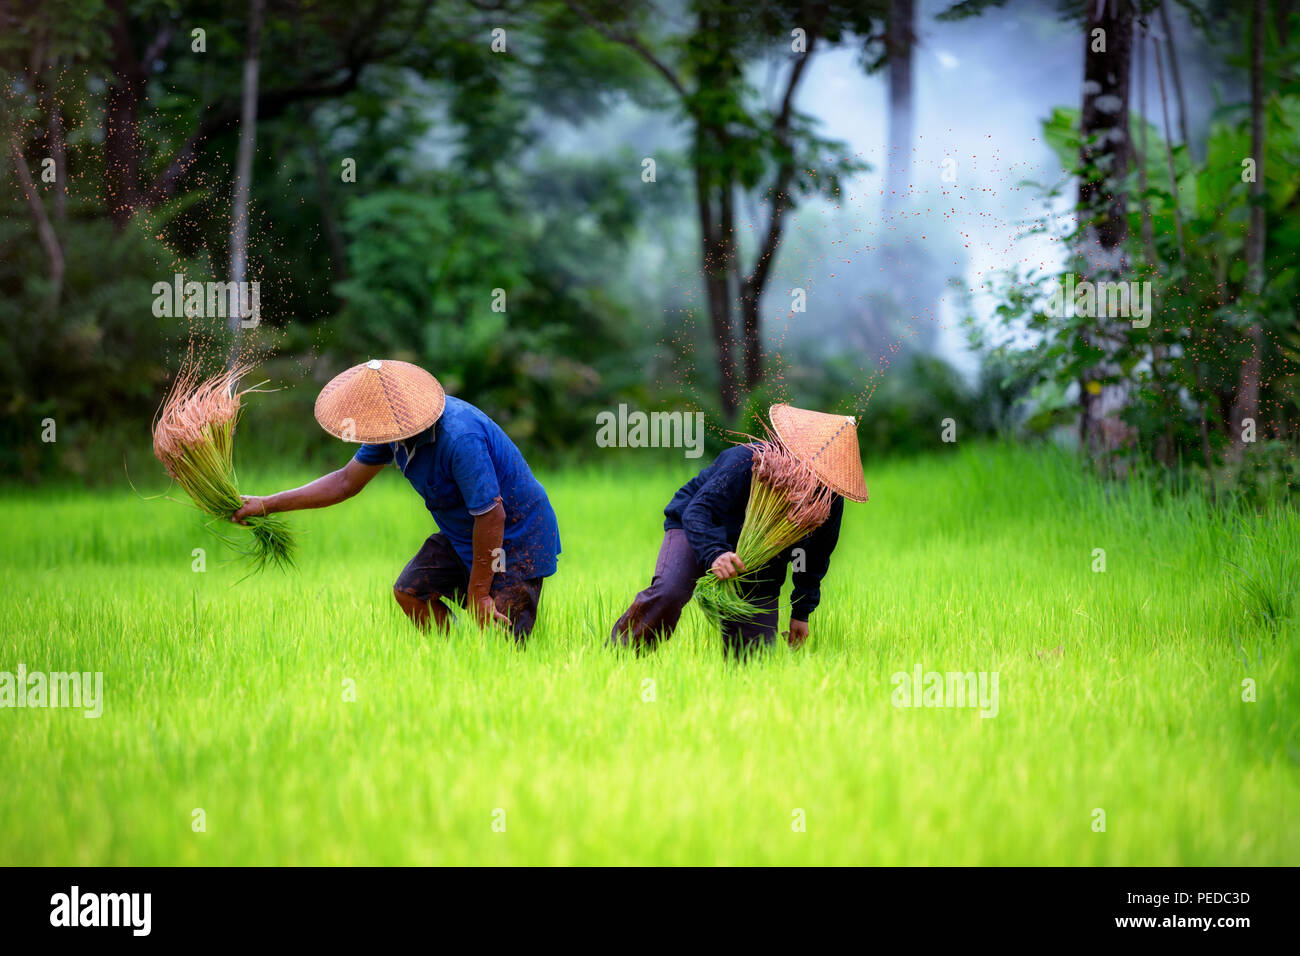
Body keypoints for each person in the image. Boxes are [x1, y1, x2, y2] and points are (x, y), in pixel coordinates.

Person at [233, 359, 560, 641]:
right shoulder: (392, 433)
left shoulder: (459, 437)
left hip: (516, 539)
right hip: (465, 535)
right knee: (411, 591)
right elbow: (345, 482)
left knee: (504, 645)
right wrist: (264, 504)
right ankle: (457, 654)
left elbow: (492, 516)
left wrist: (478, 594)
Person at [610, 404, 867, 657]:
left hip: (761, 555)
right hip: (699, 527)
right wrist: (715, 553)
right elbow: (699, 510)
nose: (810, 475)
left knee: (753, 656)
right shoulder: (746, 462)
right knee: (670, 593)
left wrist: (801, 611)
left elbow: (811, 557)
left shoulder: (826, 499)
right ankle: (616, 657)